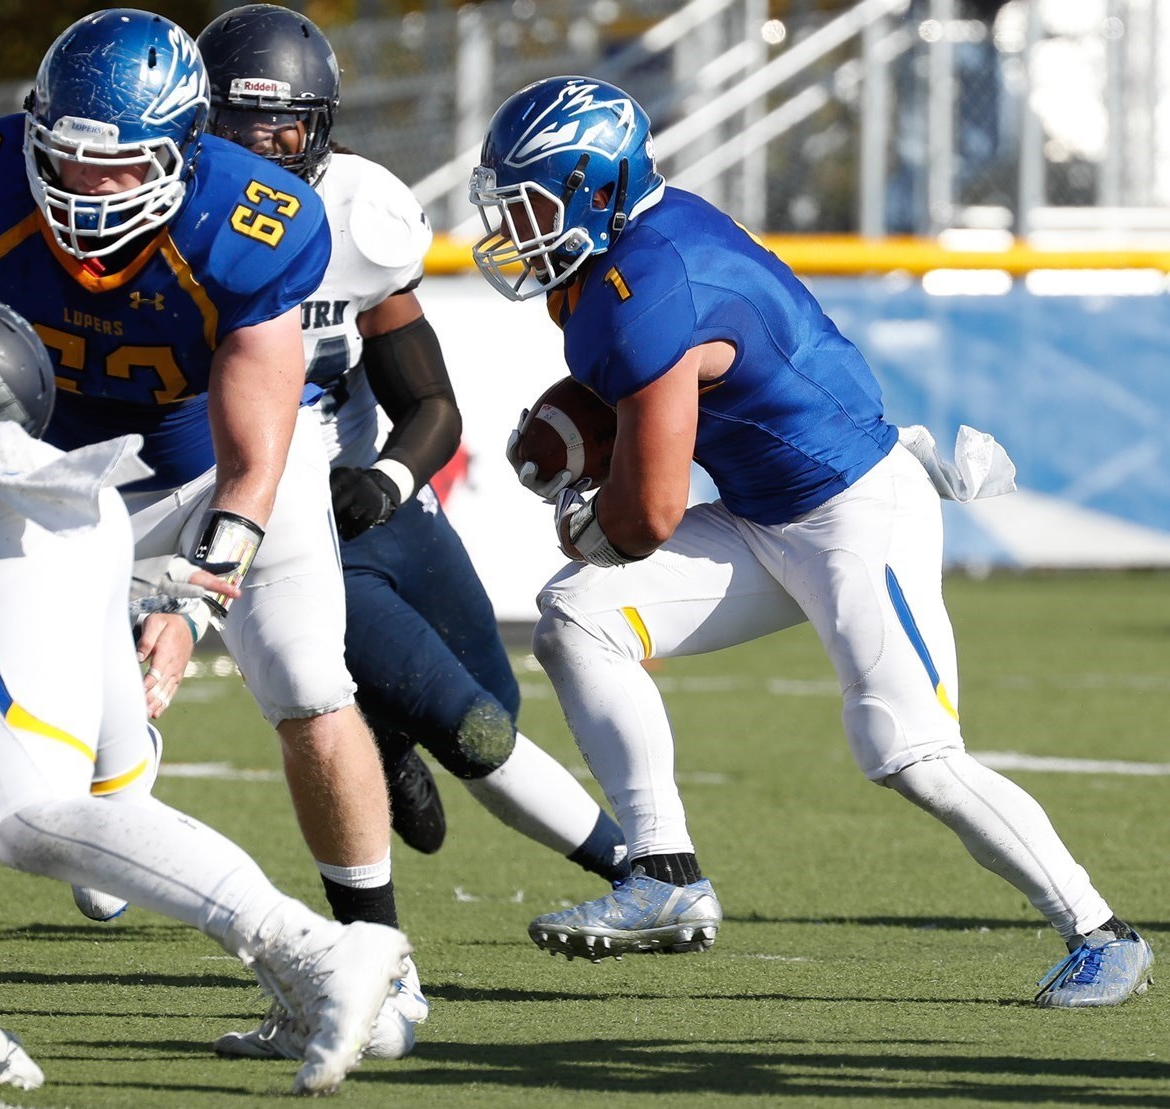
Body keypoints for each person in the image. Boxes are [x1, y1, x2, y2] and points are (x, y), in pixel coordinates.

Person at [467, 75, 1153, 1008]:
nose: (516, 227)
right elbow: (672, 393)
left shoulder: (649, 282)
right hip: (765, 511)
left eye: (533, 201)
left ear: (596, 189)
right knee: (577, 618)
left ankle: (1100, 930)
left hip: (855, 513)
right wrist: (591, 435)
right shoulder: (631, 254)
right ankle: (665, 873)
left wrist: (598, 518)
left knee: (909, 750)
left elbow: (651, 513)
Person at [0, 8, 424, 1052]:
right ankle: (113, 791)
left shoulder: (250, 225)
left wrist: (198, 603)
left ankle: (367, 950)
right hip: (64, 479)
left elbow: (257, 457)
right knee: (60, 809)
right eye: (62, 159)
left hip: (204, 469)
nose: (83, 188)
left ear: (183, 151)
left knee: (298, 675)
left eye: (116, 170)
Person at [0, 286, 410, 1095]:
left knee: (19, 816)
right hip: (63, 508)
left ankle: (321, 948)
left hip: (1, 518)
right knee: (107, 810)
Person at [195, 5, 631, 1061]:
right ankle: (646, 873)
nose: (263, 153)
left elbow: (428, 404)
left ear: (325, 128)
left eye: (286, 130)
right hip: (278, 511)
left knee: (489, 706)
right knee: (465, 727)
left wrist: (386, 479)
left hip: (371, 503)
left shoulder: (361, 212)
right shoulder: (175, 218)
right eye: (238, 129)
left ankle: (383, 745)